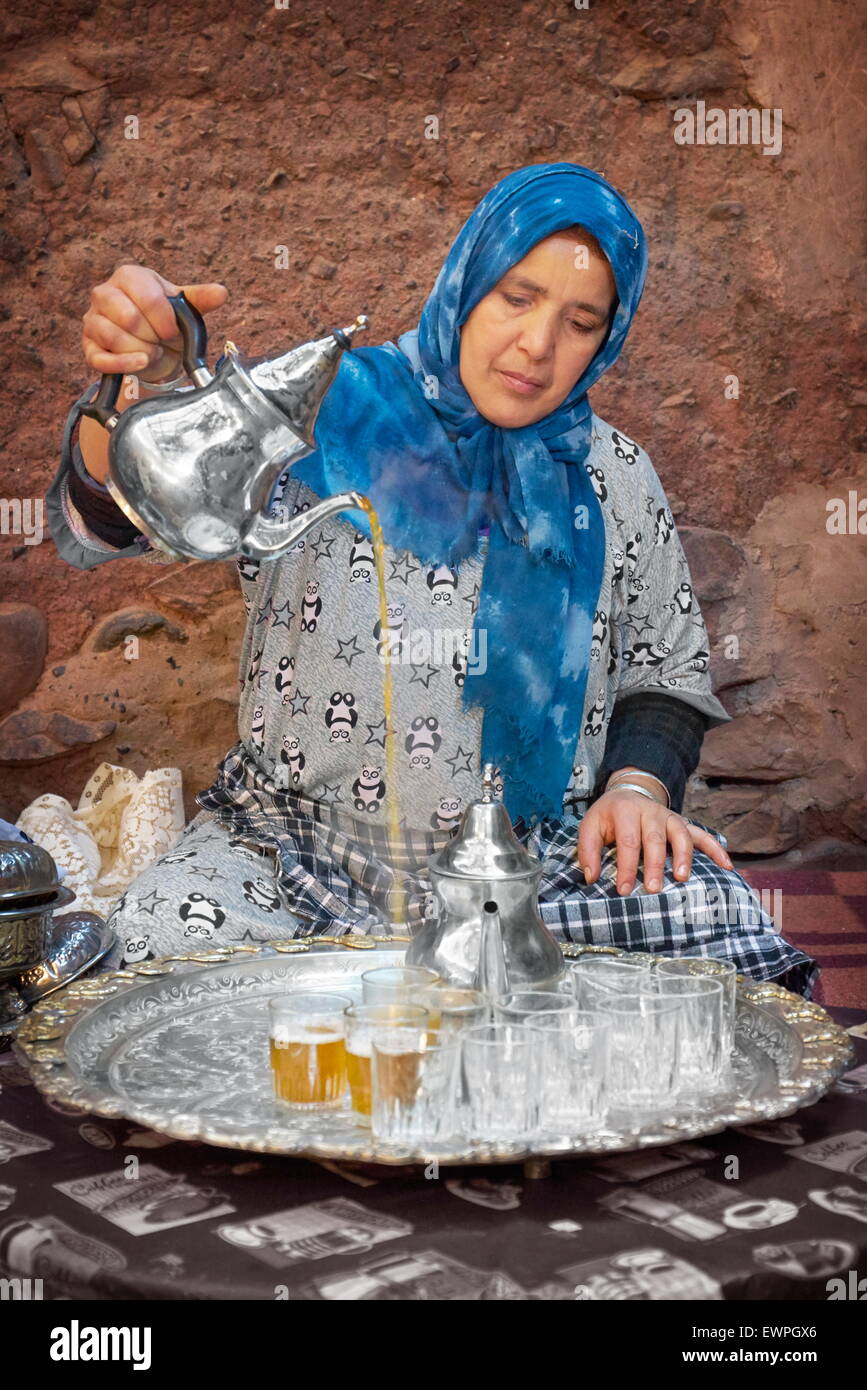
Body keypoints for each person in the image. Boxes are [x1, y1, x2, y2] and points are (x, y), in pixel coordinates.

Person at [47, 162, 817, 996]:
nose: (536, 345)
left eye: (579, 322)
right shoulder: (316, 419)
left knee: (712, 925)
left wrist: (636, 789)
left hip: (530, 865)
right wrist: (133, 391)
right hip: (291, 849)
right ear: (468, 278)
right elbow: (104, 528)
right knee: (153, 946)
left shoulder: (613, 475)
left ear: (608, 337)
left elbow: (664, 674)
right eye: (516, 297)